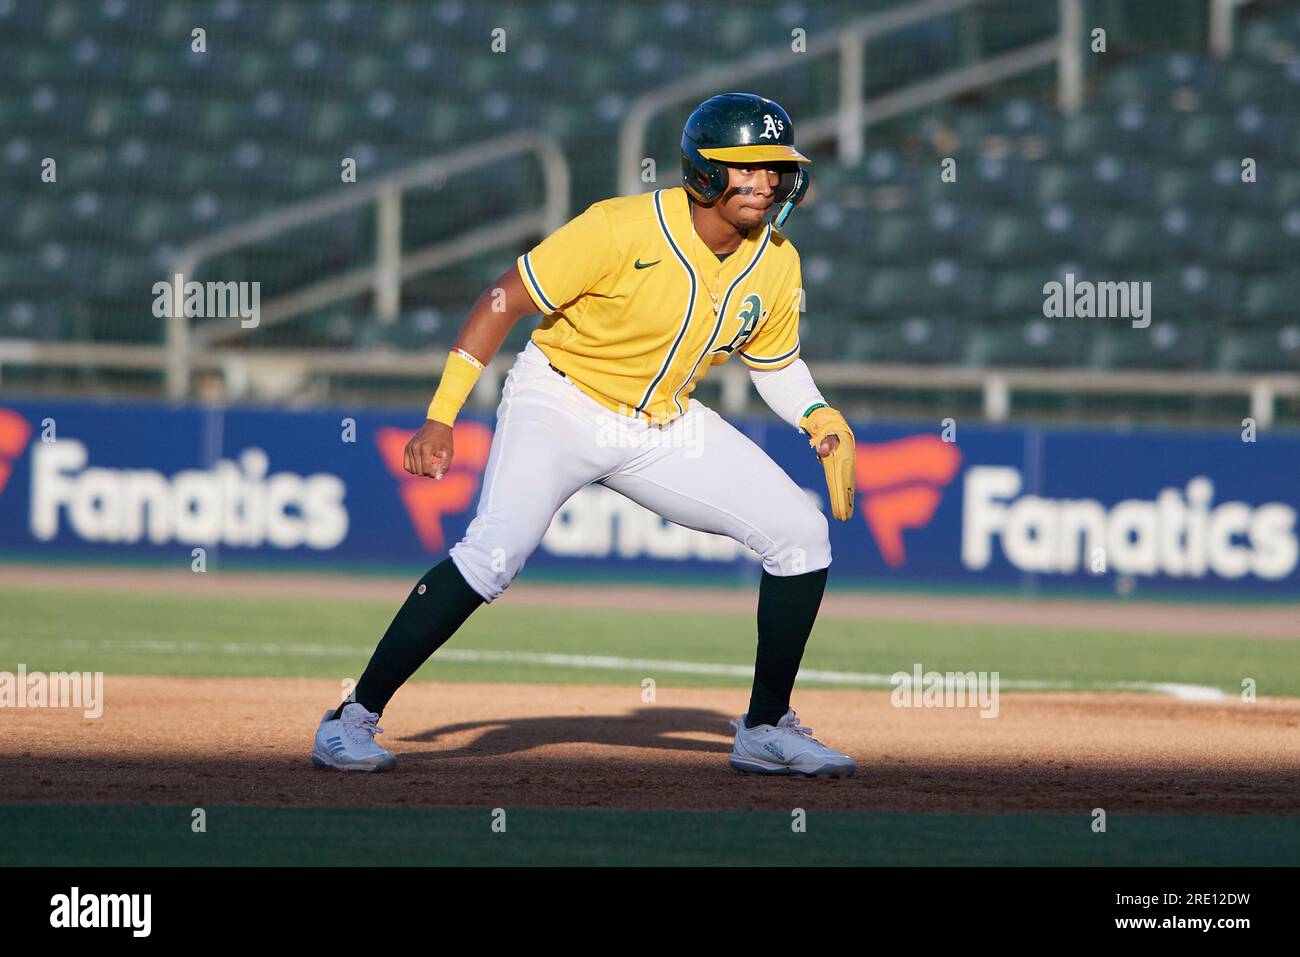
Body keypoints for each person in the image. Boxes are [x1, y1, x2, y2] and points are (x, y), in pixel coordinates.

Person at [311, 92, 857, 777]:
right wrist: (442, 413)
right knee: (491, 556)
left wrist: (818, 416)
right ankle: (352, 717)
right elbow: (502, 300)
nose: (767, 180)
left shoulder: (777, 260)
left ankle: (765, 725)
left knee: (801, 535)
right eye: (747, 167)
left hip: (661, 421)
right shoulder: (619, 227)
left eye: (776, 167)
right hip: (560, 400)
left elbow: (773, 363)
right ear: (703, 171)